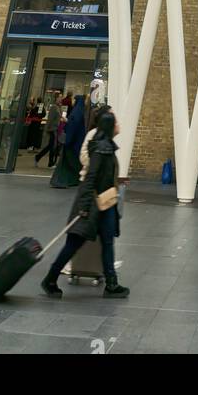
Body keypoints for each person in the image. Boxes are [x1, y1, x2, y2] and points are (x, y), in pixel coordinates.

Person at [41, 110, 128, 299]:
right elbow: (91, 178)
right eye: (116, 121)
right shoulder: (101, 149)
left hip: (104, 203)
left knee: (106, 242)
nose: (119, 124)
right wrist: (85, 206)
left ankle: (111, 283)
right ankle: (50, 278)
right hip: (93, 205)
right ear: (110, 126)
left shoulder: (106, 146)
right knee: (74, 243)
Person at [51, 93, 86, 188]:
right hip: (76, 142)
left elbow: (72, 127)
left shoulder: (75, 113)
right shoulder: (81, 112)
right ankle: (69, 180)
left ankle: (61, 181)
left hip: (72, 143)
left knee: (68, 163)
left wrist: (68, 140)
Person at [35, 93, 62, 167]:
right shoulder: (54, 107)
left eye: (61, 97)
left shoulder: (58, 107)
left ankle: (38, 157)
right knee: (52, 146)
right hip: (52, 129)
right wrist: (46, 129)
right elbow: (50, 119)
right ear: (56, 98)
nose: (60, 99)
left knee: (50, 146)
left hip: (55, 128)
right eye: (59, 97)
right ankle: (50, 162)